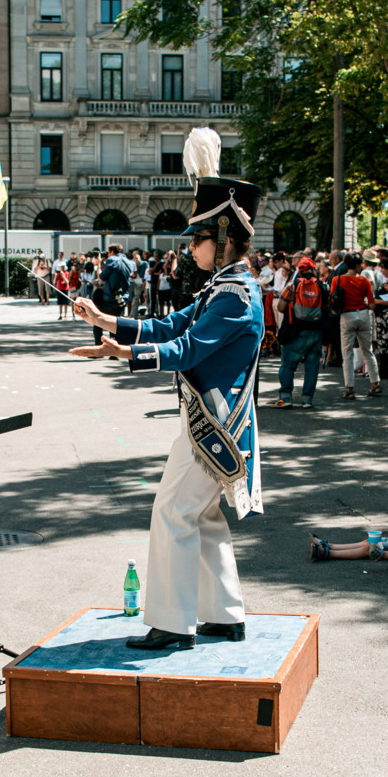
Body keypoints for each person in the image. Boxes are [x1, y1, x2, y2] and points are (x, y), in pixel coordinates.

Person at [68, 129, 263, 651]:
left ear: (222, 238)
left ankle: (175, 624)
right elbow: (170, 325)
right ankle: (224, 613)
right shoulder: (225, 288)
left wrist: (121, 353)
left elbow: (187, 349)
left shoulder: (235, 296)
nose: (190, 245)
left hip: (213, 425)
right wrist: (107, 319)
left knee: (174, 512)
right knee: (201, 516)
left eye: (197, 238)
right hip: (212, 422)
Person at [269, 256, 327, 408]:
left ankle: (285, 398)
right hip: (316, 332)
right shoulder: (322, 286)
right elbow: (328, 306)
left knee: (288, 365)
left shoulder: (291, 286)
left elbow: (281, 307)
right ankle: (307, 400)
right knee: (312, 367)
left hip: (294, 331)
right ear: (313, 269)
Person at [331, 253, 379, 399]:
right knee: (368, 351)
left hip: (347, 315)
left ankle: (350, 388)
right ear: (358, 265)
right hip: (363, 315)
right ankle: (375, 383)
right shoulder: (365, 281)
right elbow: (371, 304)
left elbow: (333, 299)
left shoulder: (337, 280)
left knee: (347, 354)